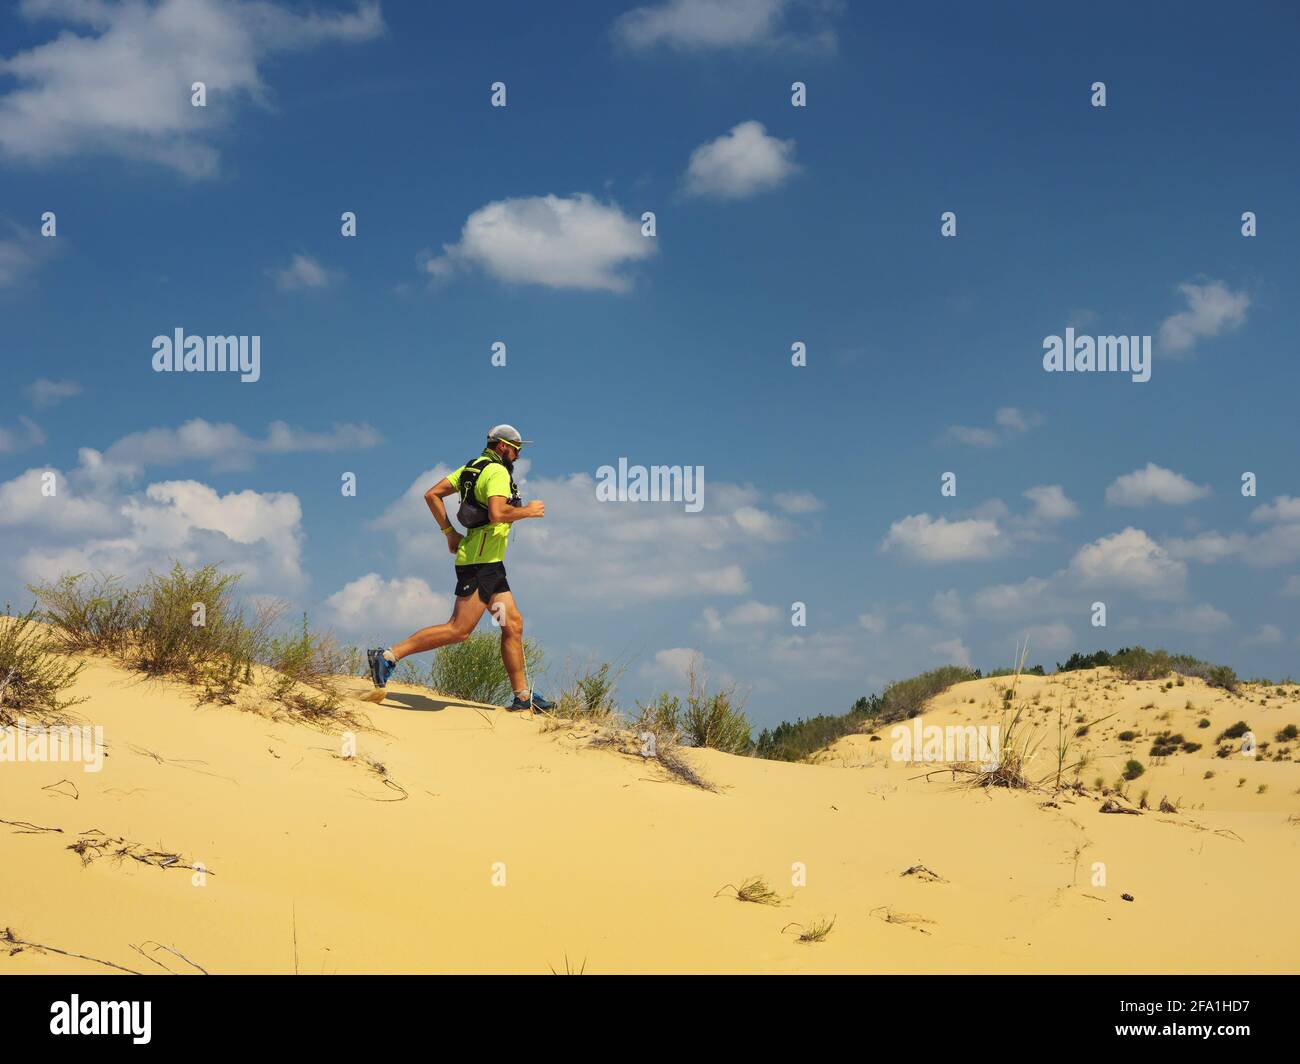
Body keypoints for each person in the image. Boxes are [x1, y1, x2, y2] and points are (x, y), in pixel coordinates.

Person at [364, 424, 555, 711]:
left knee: (512, 624)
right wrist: (529, 511)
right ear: (502, 447)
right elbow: (498, 513)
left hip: (489, 563)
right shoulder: (497, 472)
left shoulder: (471, 468)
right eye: (516, 449)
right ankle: (389, 656)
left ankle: (522, 698)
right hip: (479, 564)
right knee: (459, 630)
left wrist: (449, 533)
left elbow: (431, 494)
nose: (517, 455)